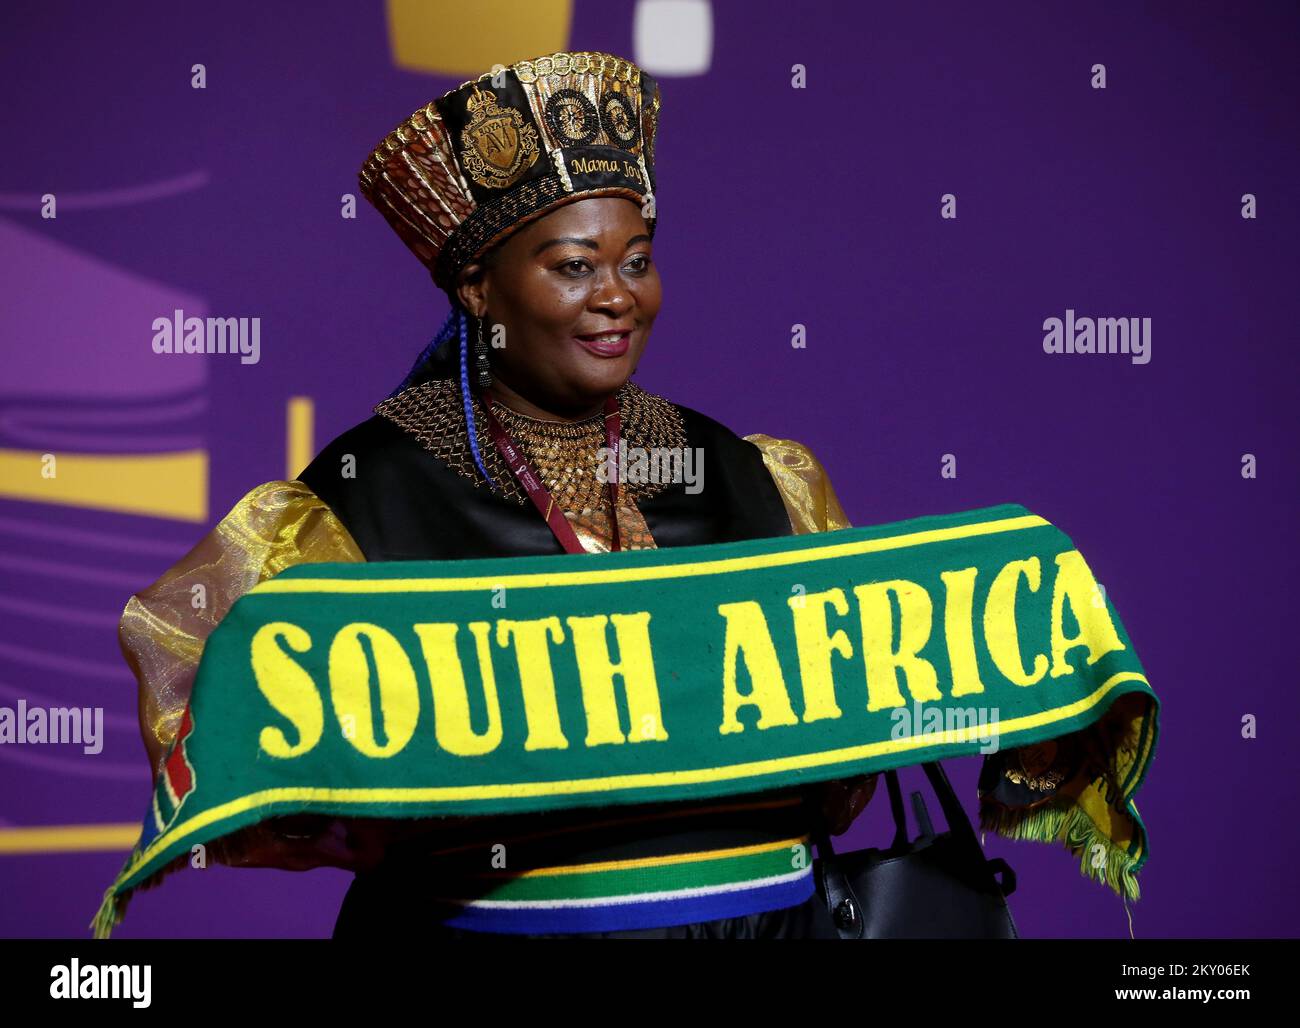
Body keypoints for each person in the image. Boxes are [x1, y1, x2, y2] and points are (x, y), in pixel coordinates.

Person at [119, 50, 878, 938]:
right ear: (480, 288)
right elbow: (224, 739)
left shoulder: (745, 474)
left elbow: (846, 751)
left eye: (636, 261)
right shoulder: (368, 498)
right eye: (571, 267)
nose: (616, 298)